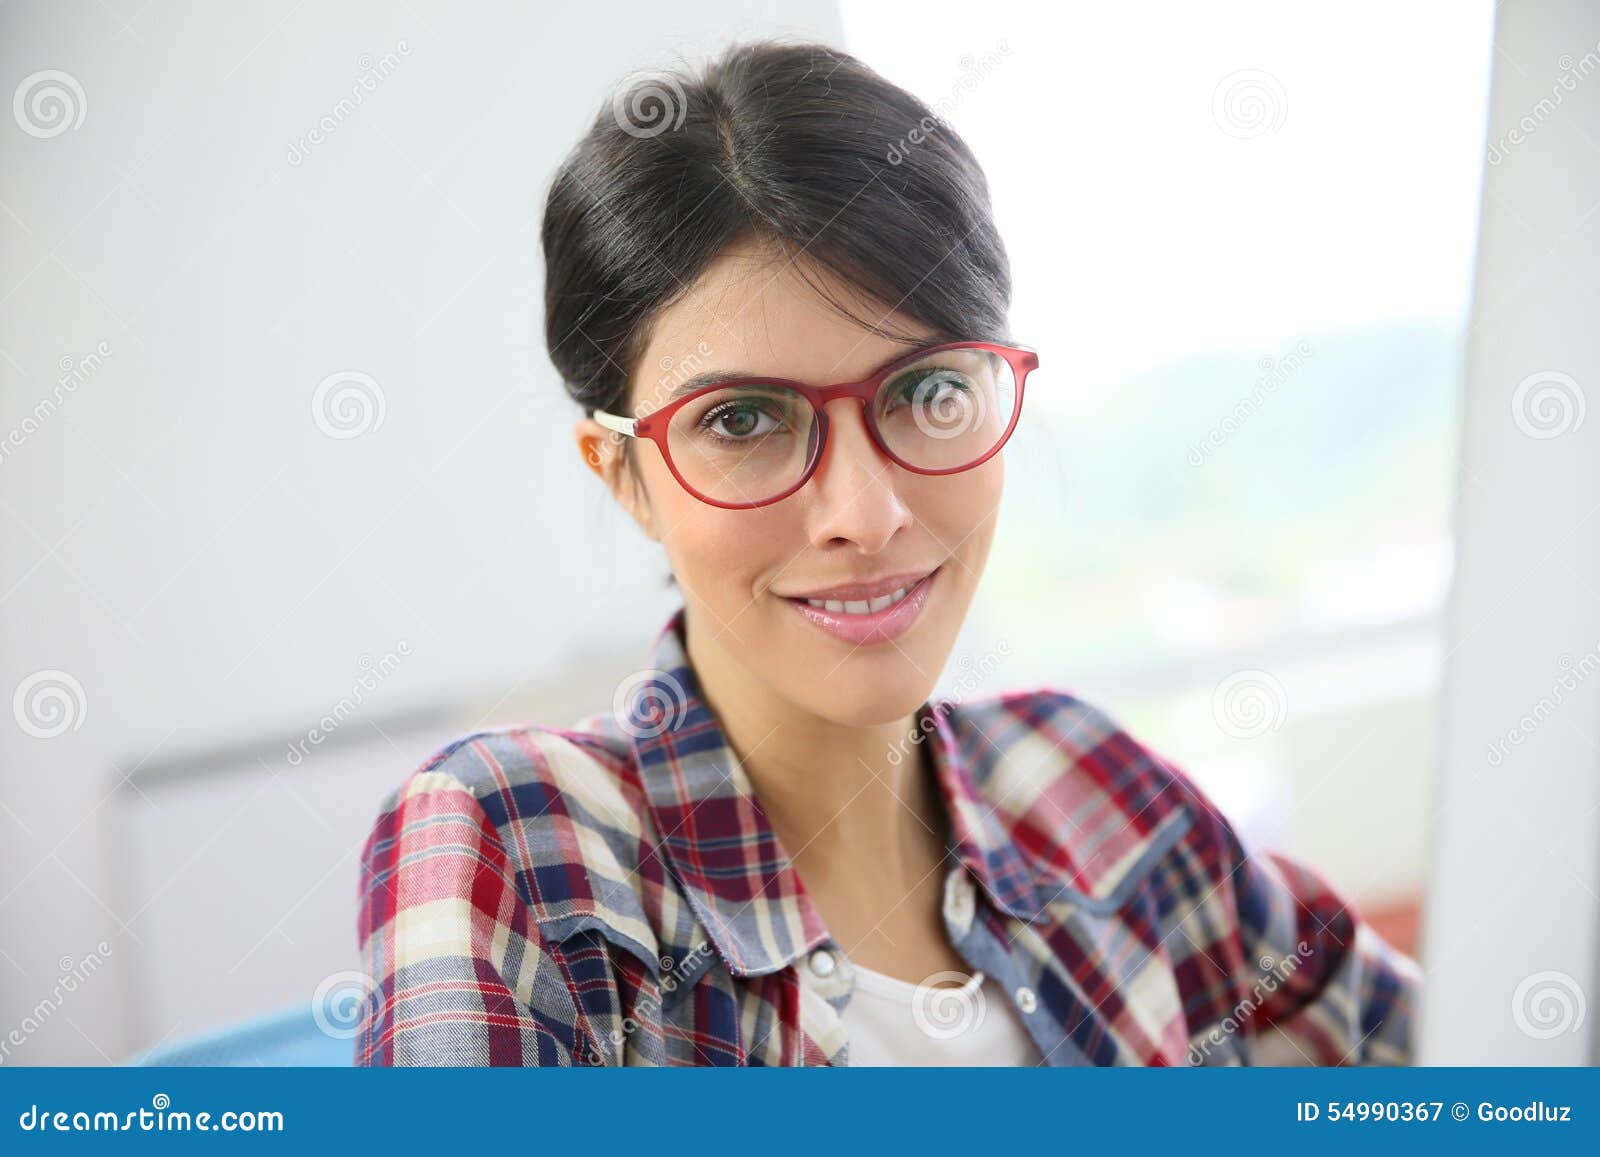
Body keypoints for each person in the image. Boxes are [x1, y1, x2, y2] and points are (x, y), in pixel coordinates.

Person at [355, 39, 1420, 1067]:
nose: (865, 516)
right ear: (622, 473)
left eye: (927, 390)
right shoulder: (516, 842)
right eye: (742, 420)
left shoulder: (1091, 783)